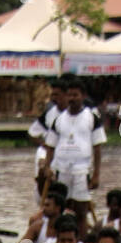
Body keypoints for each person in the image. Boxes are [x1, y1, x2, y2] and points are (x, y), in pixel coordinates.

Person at [42, 78, 105, 228]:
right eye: (69, 95)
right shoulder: (58, 120)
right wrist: (47, 167)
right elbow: (50, 146)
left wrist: (96, 174)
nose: (72, 99)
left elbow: (97, 148)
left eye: (75, 95)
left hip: (82, 171)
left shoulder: (92, 118)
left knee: (81, 212)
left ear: (83, 96)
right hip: (61, 170)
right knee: (60, 210)